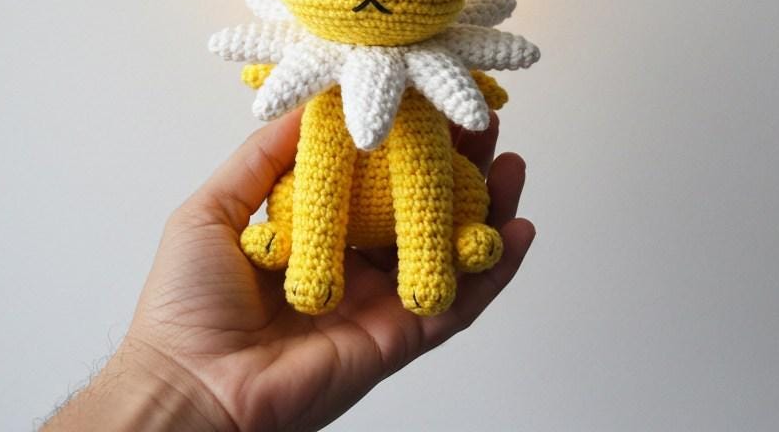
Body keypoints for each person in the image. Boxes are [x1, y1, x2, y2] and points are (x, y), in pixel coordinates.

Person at [44, 109, 535, 431]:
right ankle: (292, 242)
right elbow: (320, 174)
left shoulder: (425, 102)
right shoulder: (322, 102)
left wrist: (183, 386)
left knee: (449, 178)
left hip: (420, 194)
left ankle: (456, 233)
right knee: (305, 185)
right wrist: (179, 379)